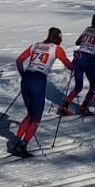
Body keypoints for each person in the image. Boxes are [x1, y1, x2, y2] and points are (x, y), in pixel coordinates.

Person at [10, 28, 75, 157]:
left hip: (27, 79)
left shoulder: (35, 45)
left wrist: (23, 75)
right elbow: (70, 66)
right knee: (36, 118)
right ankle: (23, 146)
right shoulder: (56, 48)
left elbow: (19, 60)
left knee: (30, 114)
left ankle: (16, 142)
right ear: (59, 38)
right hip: (38, 80)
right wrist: (77, 60)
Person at [59, 14, 95, 117]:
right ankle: (84, 107)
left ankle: (65, 106)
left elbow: (77, 42)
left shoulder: (87, 29)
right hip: (88, 60)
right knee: (94, 85)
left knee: (78, 86)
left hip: (78, 58)